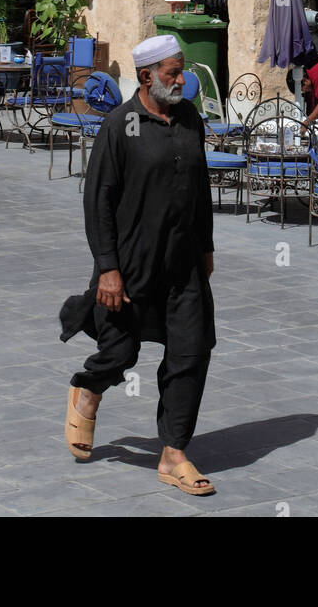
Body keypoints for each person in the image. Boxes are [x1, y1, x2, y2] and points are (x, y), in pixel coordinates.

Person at [59, 35, 217, 496]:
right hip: (130, 265)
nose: (181, 80)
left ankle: (174, 455)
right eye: (172, 72)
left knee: (191, 351)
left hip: (184, 263)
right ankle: (88, 391)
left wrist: (205, 246)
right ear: (147, 76)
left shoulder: (189, 118)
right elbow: (98, 200)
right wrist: (107, 268)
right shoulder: (118, 125)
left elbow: (200, 187)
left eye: (181, 70)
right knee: (121, 353)